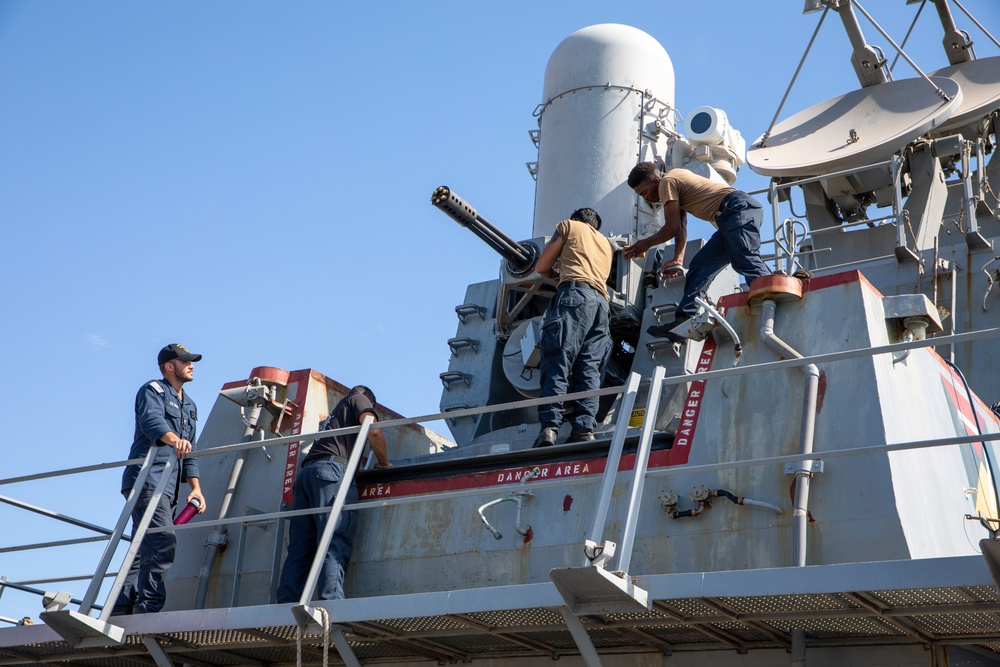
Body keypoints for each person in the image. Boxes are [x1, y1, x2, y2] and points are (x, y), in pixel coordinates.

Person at [623, 162, 771, 342]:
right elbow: (680, 227)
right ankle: (682, 323)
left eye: (644, 192)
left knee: (743, 256)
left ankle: (770, 293)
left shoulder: (666, 183)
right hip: (729, 216)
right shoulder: (675, 178)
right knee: (700, 267)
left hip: (737, 209)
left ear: (655, 180)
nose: (646, 199)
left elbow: (672, 228)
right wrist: (678, 259)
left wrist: (644, 244)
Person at [114, 343, 207, 615]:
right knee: (162, 540)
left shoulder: (189, 405)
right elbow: (151, 421)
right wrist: (174, 439)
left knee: (144, 548)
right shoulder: (151, 391)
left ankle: (120, 609)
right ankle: (149, 608)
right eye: (185, 361)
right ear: (169, 366)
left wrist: (196, 489)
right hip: (147, 478)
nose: (191, 365)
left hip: (167, 487)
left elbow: (190, 450)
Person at [277, 385, 391, 602]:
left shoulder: (331, 422)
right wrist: (384, 463)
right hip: (331, 473)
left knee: (300, 546)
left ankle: (286, 603)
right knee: (333, 538)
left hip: (306, 476)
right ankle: (331, 602)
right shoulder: (358, 398)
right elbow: (373, 430)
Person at [532, 207, 614, 448]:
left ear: (577, 218)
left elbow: (541, 267)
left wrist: (555, 271)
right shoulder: (606, 244)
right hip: (601, 306)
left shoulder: (569, 226)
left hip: (573, 297)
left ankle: (549, 428)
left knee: (557, 360)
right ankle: (583, 428)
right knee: (589, 369)